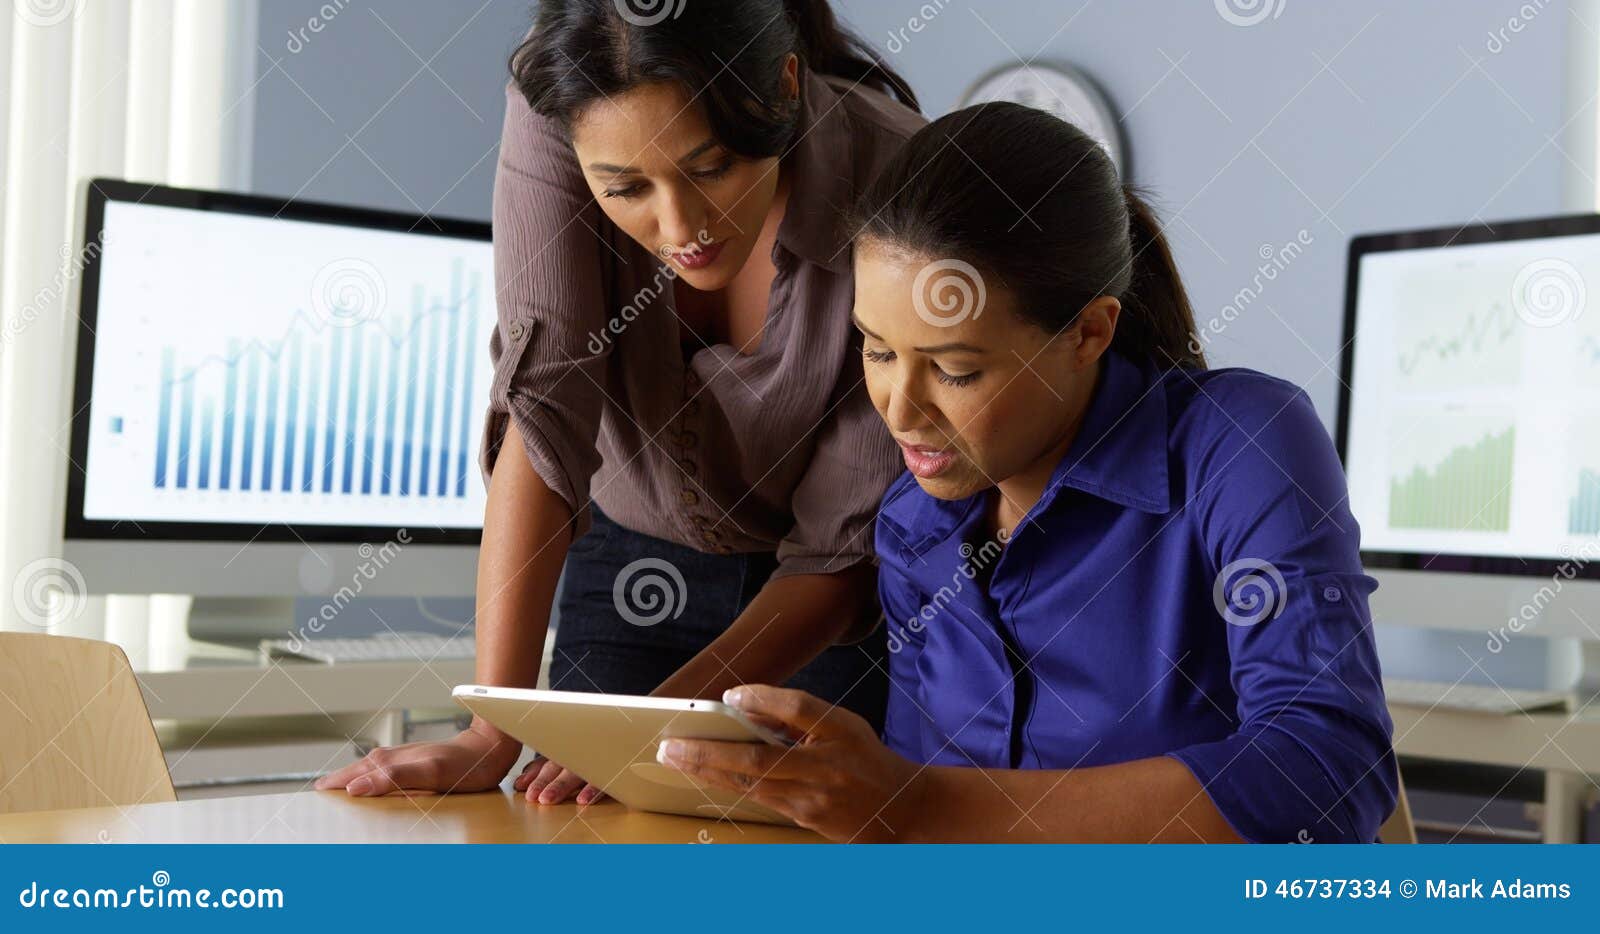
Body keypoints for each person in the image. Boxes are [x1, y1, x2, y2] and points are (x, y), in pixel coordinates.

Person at [656, 103, 1399, 843]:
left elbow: (1328, 769)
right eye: (877, 351)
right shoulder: (913, 527)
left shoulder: (1239, 443)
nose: (901, 412)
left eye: (954, 369)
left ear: (1088, 332)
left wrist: (922, 808)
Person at [318, 0, 924, 805]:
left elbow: (840, 550)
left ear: (783, 87)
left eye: (710, 169)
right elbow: (544, 407)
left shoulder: (896, 173)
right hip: (633, 554)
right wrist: (490, 734)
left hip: (825, 596)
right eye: (626, 187)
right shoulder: (559, 108)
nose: (682, 227)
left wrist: (652, 729)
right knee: (573, 835)